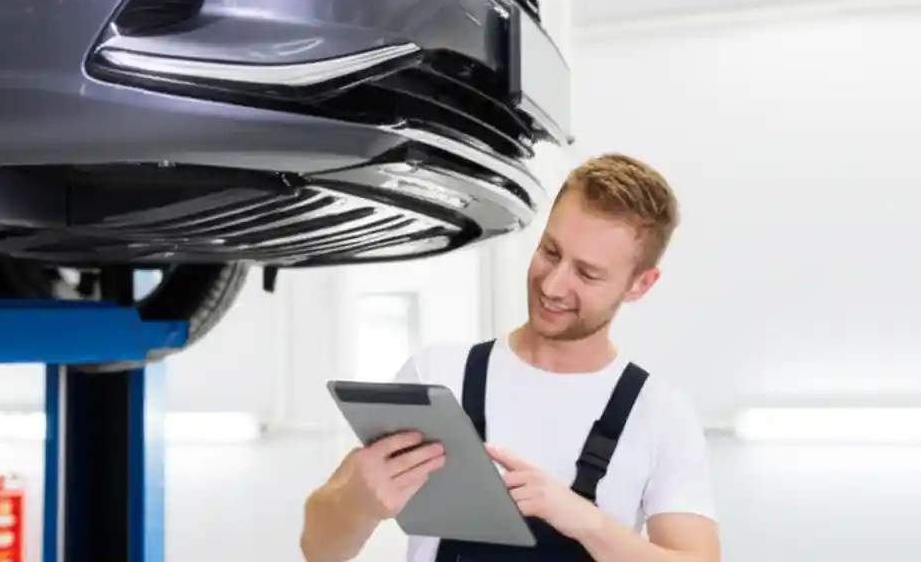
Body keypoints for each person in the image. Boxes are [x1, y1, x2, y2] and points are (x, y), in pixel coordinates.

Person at [299, 153, 721, 562]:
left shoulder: (660, 414)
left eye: (587, 273)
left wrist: (583, 520)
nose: (554, 285)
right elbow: (317, 549)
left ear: (640, 284)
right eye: (550, 252)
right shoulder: (437, 375)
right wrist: (359, 502)